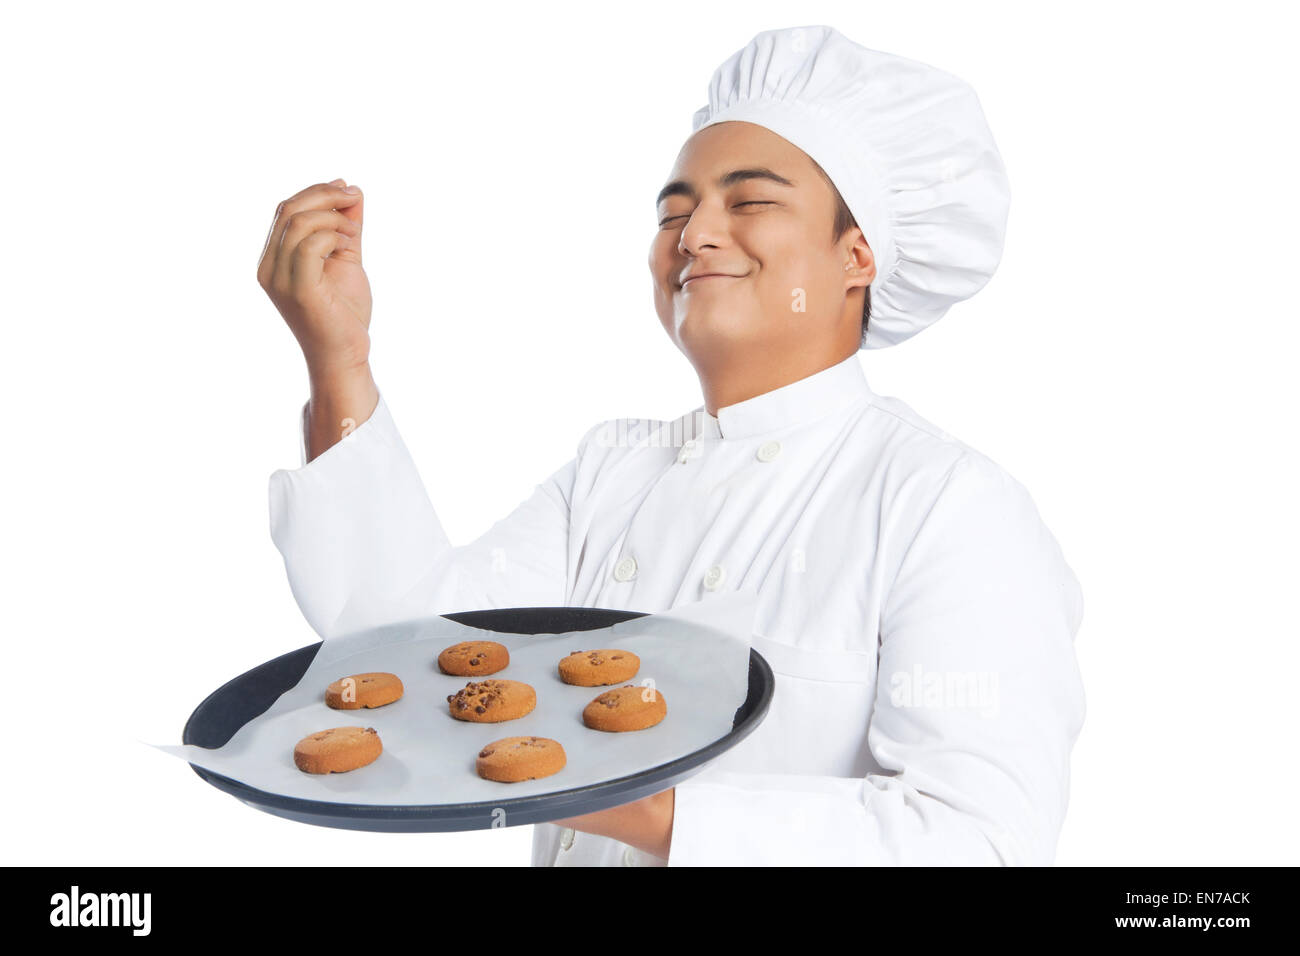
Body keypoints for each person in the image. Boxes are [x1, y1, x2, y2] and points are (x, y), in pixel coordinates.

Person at [255, 25, 1085, 866]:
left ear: (858, 254)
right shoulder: (612, 473)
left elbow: (982, 840)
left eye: (749, 200)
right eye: (674, 212)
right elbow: (416, 652)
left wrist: (661, 813)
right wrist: (339, 358)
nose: (693, 235)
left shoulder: (945, 505)